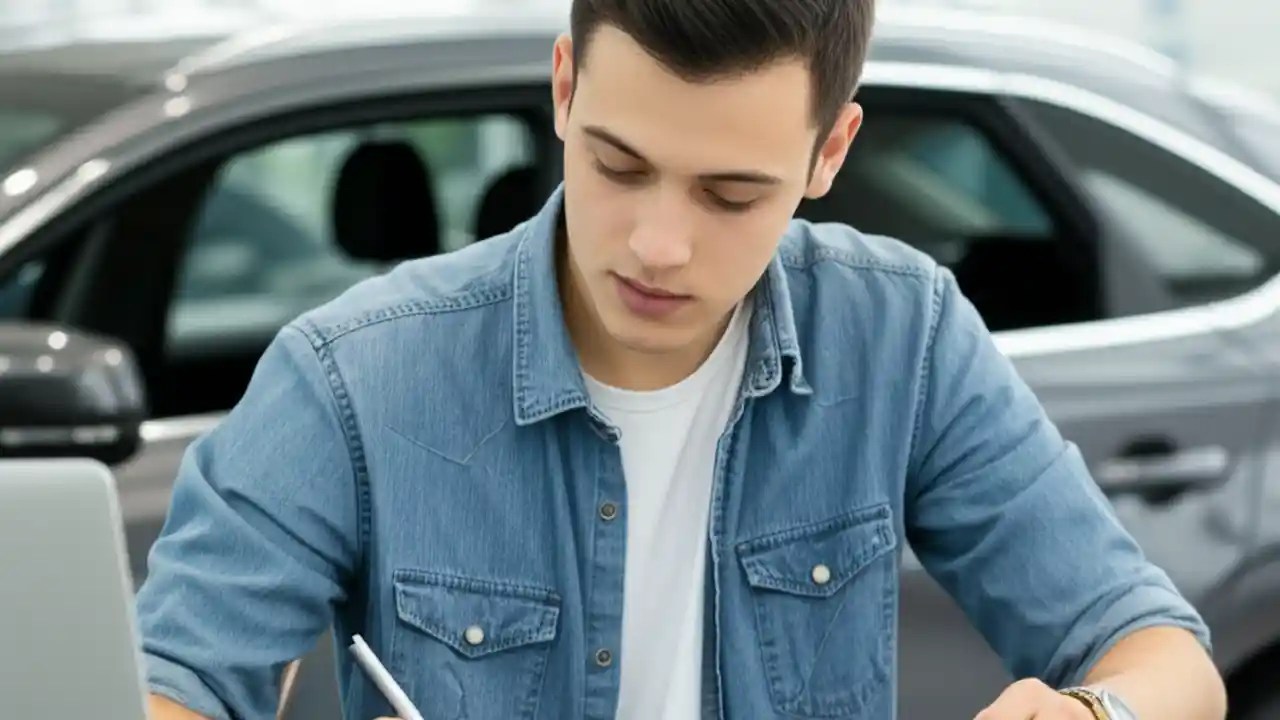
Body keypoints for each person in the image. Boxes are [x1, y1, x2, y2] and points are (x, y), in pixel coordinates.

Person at [137, 1, 1228, 719]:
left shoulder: (900, 335)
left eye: (729, 193)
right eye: (619, 165)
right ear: (563, 87)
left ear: (829, 152)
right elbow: (167, 685)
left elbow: (1164, 658)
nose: (658, 245)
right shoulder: (349, 381)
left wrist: (1096, 713)